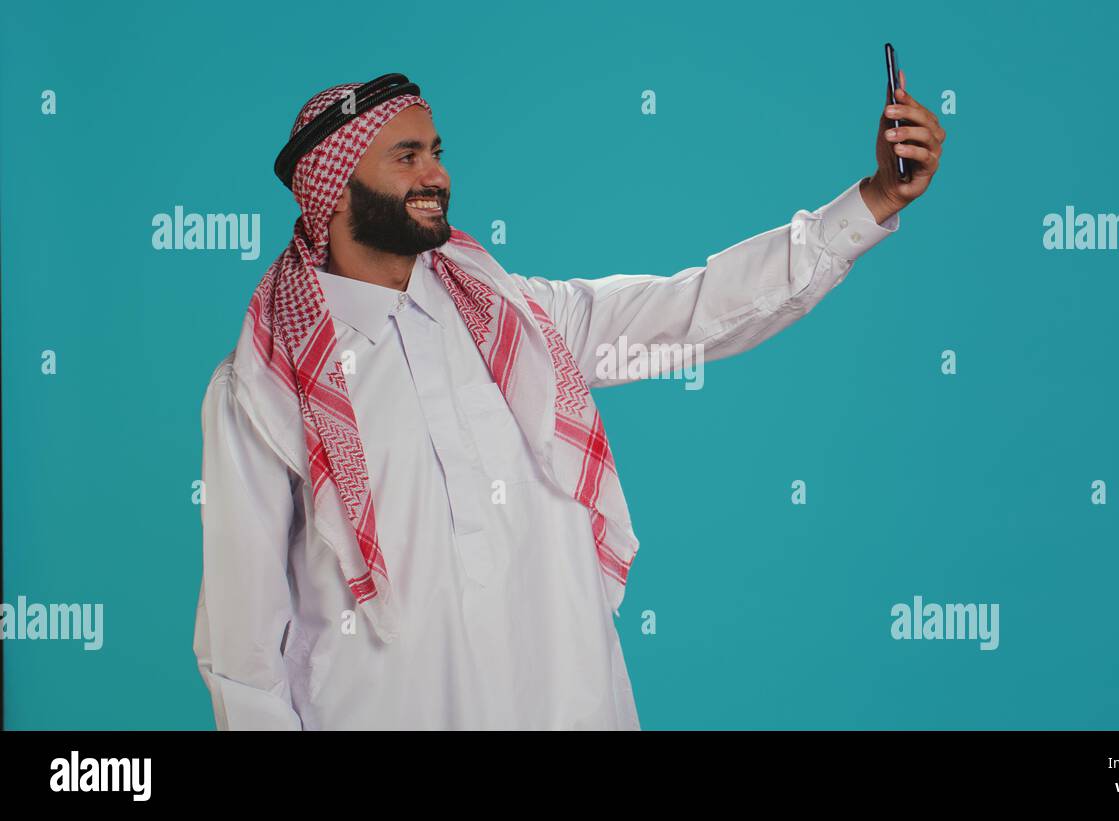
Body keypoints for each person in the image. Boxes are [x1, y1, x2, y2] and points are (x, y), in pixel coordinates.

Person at [193, 71, 944, 730]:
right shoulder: (262, 388)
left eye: (437, 151)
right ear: (332, 190)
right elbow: (244, 645)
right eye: (407, 156)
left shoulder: (516, 318)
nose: (437, 175)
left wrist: (872, 200)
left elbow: (694, 309)